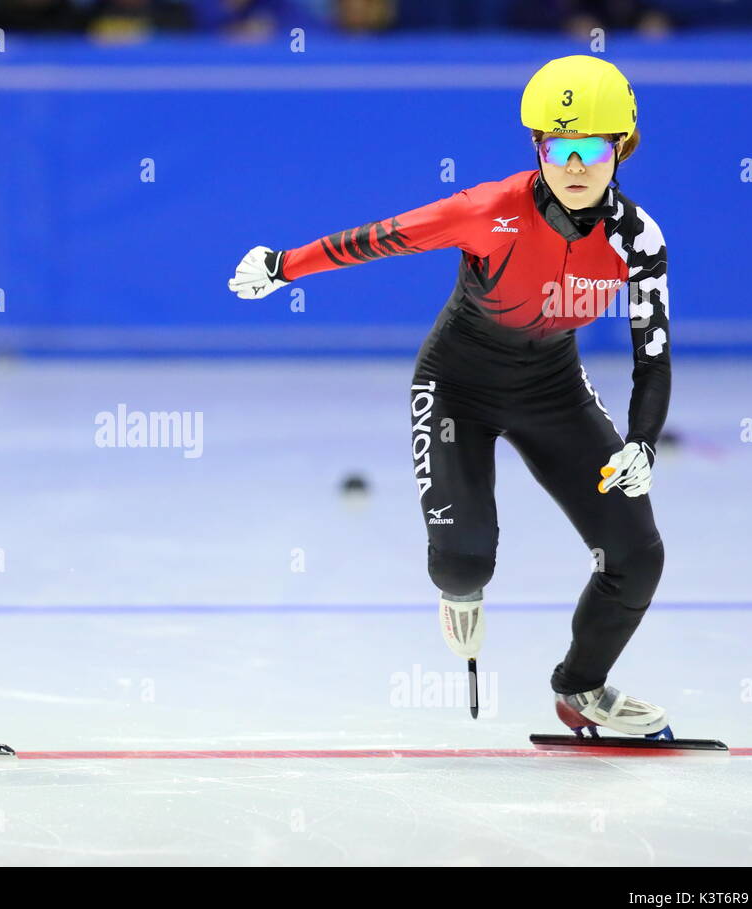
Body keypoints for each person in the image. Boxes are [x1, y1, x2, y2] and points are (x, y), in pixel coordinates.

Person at [229, 56, 673, 739]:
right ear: (537, 148)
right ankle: (459, 585)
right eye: (559, 147)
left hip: (553, 390)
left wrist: (642, 440)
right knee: (465, 561)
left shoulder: (637, 240)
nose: (575, 165)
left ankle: (580, 688)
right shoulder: (489, 211)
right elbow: (380, 238)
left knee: (638, 555)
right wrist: (284, 266)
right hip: (456, 389)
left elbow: (653, 351)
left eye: (593, 147)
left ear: (623, 148)